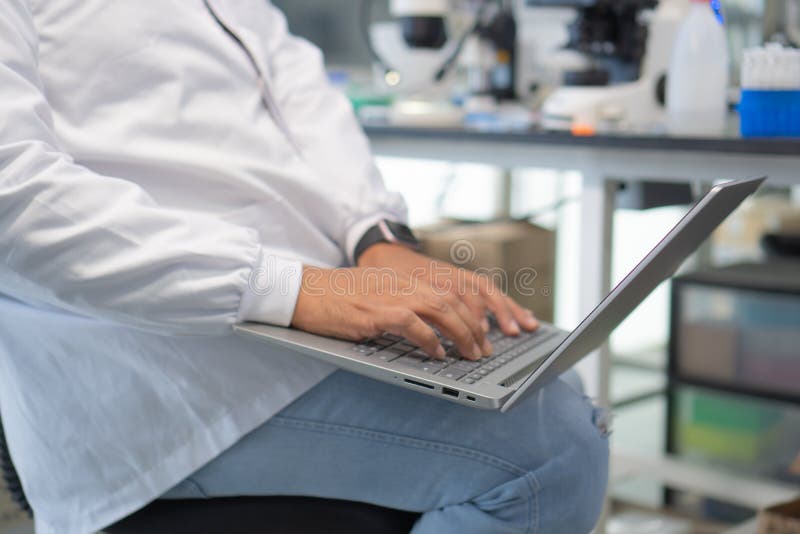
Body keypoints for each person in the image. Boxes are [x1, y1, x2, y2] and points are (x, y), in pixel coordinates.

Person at [0, 1, 608, 532]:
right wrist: (291, 289)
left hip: (288, 326)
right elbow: (13, 196)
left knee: (542, 380)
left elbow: (299, 95)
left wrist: (377, 237)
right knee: (552, 452)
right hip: (153, 372)